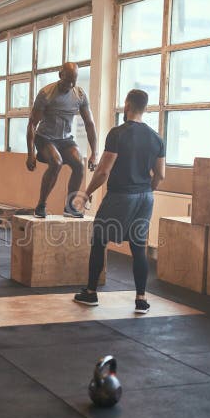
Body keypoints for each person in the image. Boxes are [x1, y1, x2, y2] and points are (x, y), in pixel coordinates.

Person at [72, 89, 166, 314]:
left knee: (99, 239)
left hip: (121, 196)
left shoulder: (117, 134)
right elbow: (161, 175)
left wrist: (85, 193)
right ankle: (141, 300)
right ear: (145, 108)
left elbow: (104, 171)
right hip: (145, 198)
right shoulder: (157, 138)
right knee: (138, 247)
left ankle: (91, 293)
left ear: (127, 105)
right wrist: (145, 191)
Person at [26, 62, 97, 219]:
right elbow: (32, 124)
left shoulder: (80, 95)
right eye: (67, 80)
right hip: (44, 138)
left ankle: (69, 206)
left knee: (79, 164)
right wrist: (30, 154)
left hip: (65, 139)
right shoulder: (46, 93)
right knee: (56, 162)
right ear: (60, 76)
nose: (70, 84)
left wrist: (94, 153)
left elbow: (90, 124)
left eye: (74, 80)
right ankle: (41, 205)